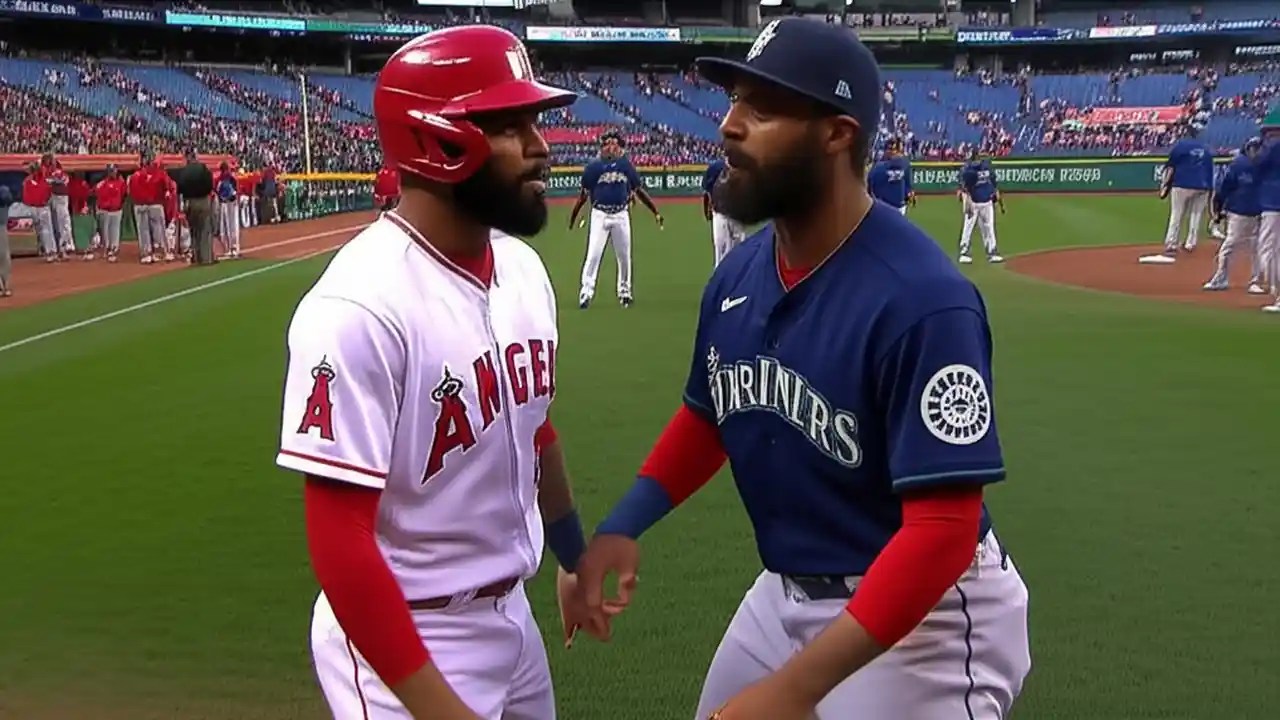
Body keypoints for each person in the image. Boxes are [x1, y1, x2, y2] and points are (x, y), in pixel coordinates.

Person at [572, 17, 1031, 720]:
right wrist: (624, 523)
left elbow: (942, 530)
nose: (728, 125)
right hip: (783, 592)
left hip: (924, 620)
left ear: (836, 133)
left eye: (761, 108)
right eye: (732, 103)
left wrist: (793, 691)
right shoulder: (743, 272)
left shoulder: (923, 301)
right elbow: (710, 414)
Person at [274, 26, 608, 720]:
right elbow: (341, 543)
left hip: (511, 622)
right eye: (512, 127)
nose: (542, 146)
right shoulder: (358, 306)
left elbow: (535, 427)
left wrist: (573, 559)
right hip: (407, 634)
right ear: (442, 142)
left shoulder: (522, 270)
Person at [568, 130, 664, 309]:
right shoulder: (593, 168)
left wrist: (655, 211)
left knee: (624, 256)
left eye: (615, 143)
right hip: (600, 214)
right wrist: (574, 217)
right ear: (602, 147)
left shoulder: (625, 166)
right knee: (594, 254)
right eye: (607, 143)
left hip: (620, 214)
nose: (611, 146)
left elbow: (638, 190)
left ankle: (625, 292)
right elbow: (583, 196)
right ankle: (586, 292)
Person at [1203, 138, 1263, 292]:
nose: (1257, 151)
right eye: (1254, 148)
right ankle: (1221, 278)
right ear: (1248, 149)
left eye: (1259, 148)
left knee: (1257, 247)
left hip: (1260, 213)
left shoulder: (1266, 166)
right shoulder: (1239, 165)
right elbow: (1225, 188)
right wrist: (1219, 208)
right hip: (1238, 211)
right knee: (1230, 244)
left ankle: (1256, 281)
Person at [1155, 125, 1214, 262]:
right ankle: (1190, 243)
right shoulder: (1206, 149)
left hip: (1182, 184)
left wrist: (1164, 186)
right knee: (1196, 214)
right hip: (1203, 185)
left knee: (1177, 213)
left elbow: (1170, 167)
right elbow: (1211, 172)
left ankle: (1171, 243)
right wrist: (1210, 189)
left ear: (1186, 133)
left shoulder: (1180, 146)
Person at [958, 148, 1005, 264]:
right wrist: (966, 200)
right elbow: (964, 186)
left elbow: (993, 181)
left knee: (989, 227)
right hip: (973, 202)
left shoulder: (987, 166)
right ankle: (964, 252)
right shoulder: (968, 169)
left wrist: (996, 193)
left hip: (986, 202)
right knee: (968, 227)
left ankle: (992, 252)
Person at [703, 155, 747, 267]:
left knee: (739, 251)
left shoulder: (744, 170)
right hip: (720, 213)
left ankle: (738, 279)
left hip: (736, 214)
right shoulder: (715, 168)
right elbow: (707, 192)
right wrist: (706, 210)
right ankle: (721, 281)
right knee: (720, 250)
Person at [175, 148, 215, 265]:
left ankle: (196, 258)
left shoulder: (183, 171)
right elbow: (209, 184)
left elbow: (180, 188)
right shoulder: (203, 168)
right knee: (205, 230)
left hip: (189, 202)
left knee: (193, 231)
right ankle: (206, 258)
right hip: (203, 200)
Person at [128, 150, 167, 264]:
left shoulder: (135, 176)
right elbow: (165, 188)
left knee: (143, 230)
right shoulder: (159, 173)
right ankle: (157, 252)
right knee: (157, 229)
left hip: (140, 206)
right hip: (154, 204)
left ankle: (146, 253)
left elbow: (130, 192)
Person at [867, 137, 914, 216]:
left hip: (895, 206)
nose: (895, 153)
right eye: (892, 150)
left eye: (897, 150)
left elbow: (907, 184)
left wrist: (908, 194)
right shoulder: (879, 167)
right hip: (886, 206)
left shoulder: (904, 164)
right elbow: (871, 187)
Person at [21, 161, 56, 262]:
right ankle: (49, 251)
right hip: (40, 207)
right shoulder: (38, 180)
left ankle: (49, 251)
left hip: (37, 207)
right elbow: (48, 192)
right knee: (45, 230)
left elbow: (26, 197)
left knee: (43, 230)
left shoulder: (28, 181)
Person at [94, 164, 127, 263]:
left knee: (115, 230)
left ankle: (114, 249)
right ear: (108, 172)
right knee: (106, 232)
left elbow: (124, 194)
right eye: (111, 171)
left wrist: (119, 204)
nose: (113, 172)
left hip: (116, 210)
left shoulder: (121, 183)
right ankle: (107, 248)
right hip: (105, 211)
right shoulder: (102, 183)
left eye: (114, 170)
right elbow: (95, 193)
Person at [214, 161, 241, 258]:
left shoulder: (224, 178)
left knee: (228, 227)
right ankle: (232, 248)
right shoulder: (227, 178)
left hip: (227, 203)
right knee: (230, 227)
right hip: (229, 203)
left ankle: (231, 248)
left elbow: (217, 191)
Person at [0, 183, 13, 297]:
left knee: (4, 256)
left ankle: (5, 285)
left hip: (1, 227)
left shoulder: (3, 192)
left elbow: (7, 197)